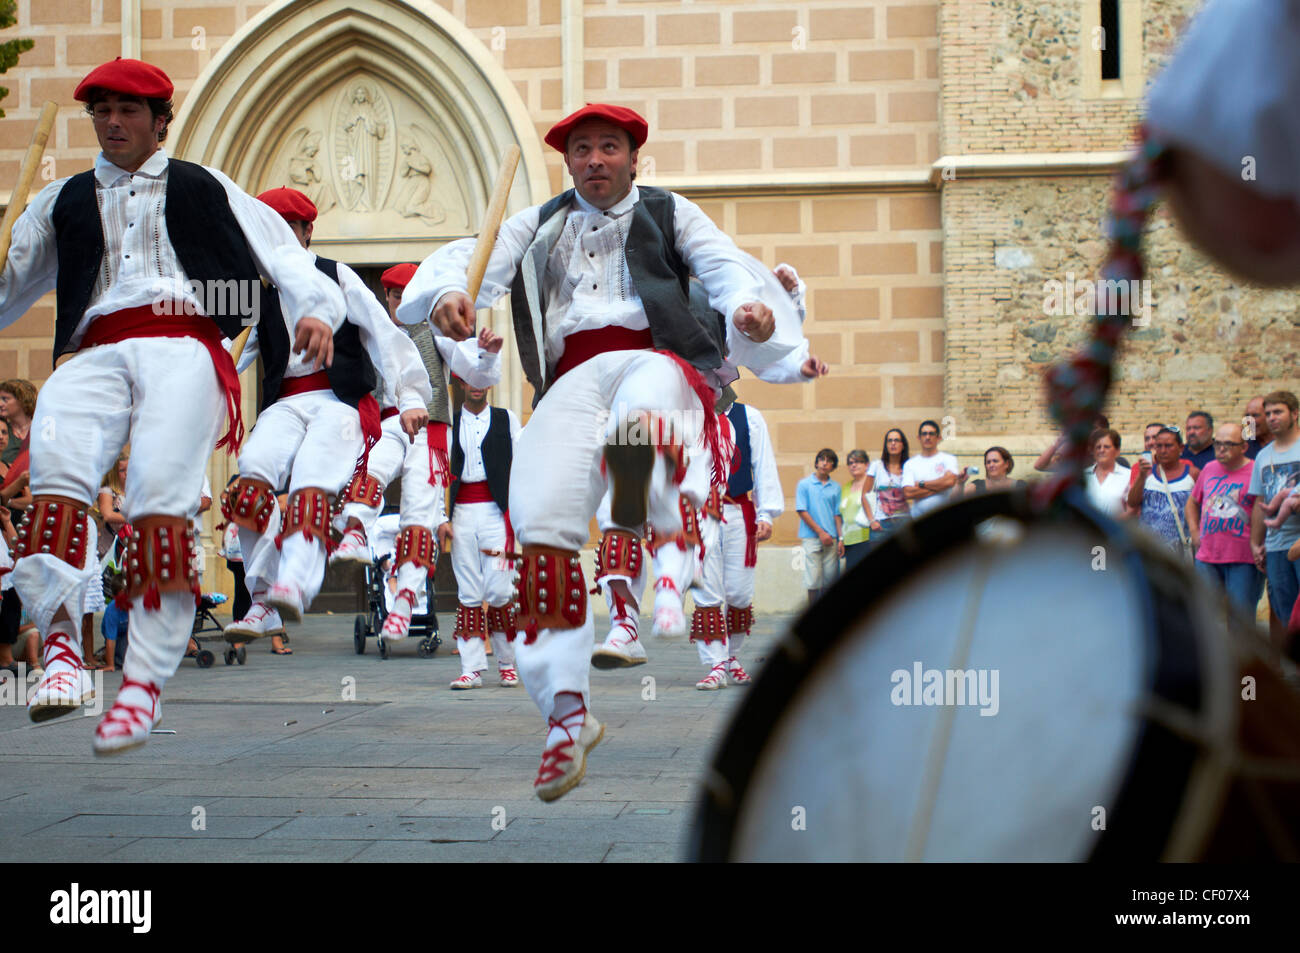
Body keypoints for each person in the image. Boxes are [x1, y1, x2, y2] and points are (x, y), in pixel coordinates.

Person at [398, 103, 802, 801]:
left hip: (653, 357)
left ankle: (646, 576)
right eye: (581, 149)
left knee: (641, 418)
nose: (593, 160)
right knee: (539, 532)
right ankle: (565, 714)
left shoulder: (670, 211)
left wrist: (747, 309)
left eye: (607, 147)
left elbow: (724, 266)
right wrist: (444, 302)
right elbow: (465, 267)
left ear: (633, 157)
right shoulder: (540, 221)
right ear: (568, 162)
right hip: (569, 380)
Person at [0, 58, 343, 753]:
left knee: (159, 496)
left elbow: (284, 255)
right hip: (92, 349)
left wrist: (315, 310)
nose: (114, 123)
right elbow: (12, 288)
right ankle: (62, 650)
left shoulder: (202, 184)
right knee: (57, 468)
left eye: (129, 111)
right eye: (102, 110)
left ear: (162, 121)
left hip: (183, 342)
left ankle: (144, 681)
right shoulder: (62, 199)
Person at [223, 187, 423, 643]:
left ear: (308, 232)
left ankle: (295, 581)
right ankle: (261, 600)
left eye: (288, 229)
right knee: (251, 473)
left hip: (338, 402)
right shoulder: (261, 294)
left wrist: (410, 396)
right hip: (285, 405)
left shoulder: (338, 275)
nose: (276, 240)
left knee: (314, 477)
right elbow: (232, 353)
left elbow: (383, 334)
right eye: (267, 230)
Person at [330, 263, 503, 647]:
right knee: (373, 470)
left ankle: (407, 598)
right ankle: (356, 530)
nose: (400, 304)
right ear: (386, 299)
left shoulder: (434, 336)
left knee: (419, 512)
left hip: (429, 431)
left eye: (408, 296)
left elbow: (473, 372)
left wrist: (487, 355)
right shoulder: (369, 334)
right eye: (394, 296)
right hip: (387, 425)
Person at [686, 397, 783, 689]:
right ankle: (716, 663)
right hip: (702, 512)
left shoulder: (749, 417)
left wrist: (766, 512)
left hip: (739, 510)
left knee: (740, 593)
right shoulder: (688, 417)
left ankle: (731, 655)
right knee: (707, 589)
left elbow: (763, 464)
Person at [445, 377, 521, 689]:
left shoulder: (507, 419)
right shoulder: (448, 423)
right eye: (469, 380)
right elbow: (435, 467)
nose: (476, 386)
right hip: (461, 512)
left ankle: (507, 661)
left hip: (496, 512)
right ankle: (472, 668)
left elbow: (523, 464)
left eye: (481, 380)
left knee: (500, 591)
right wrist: (440, 514)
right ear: (461, 384)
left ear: (489, 383)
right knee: (469, 592)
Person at [1187, 423, 1262, 616]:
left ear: (1243, 447)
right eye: (1217, 443)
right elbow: (1192, 503)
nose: (1221, 449)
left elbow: (1262, 511)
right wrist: (1195, 534)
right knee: (1205, 617)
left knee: (1240, 619)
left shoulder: (1256, 471)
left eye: (1228, 444)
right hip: (1207, 556)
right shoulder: (1209, 469)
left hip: (1243, 558)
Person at [1248, 392, 1300, 660]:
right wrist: (1256, 543)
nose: (1271, 418)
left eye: (1277, 412)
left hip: (1299, 544)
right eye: (1268, 414)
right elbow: (1259, 501)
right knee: (1286, 613)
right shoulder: (1262, 456)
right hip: (1276, 545)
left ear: (1295, 413)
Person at [1128, 427, 1199, 556]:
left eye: (1168, 446)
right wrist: (1141, 476)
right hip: (1149, 549)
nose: (1163, 451)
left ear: (1181, 448)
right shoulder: (1147, 473)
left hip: (1181, 549)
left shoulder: (1193, 474)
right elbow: (1132, 502)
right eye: (1159, 446)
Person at [796, 449, 843, 602]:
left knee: (830, 580)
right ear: (816, 463)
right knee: (813, 580)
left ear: (833, 466)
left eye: (829, 461)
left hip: (832, 539)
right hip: (812, 538)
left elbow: (837, 514)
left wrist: (840, 538)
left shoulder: (836, 487)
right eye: (822, 459)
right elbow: (802, 511)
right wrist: (821, 533)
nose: (825, 463)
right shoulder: (804, 485)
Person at [903, 420, 965, 517]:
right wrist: (941, 487)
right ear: (919, 438)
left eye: (931, 434)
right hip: (919, 520)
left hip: (944, 519)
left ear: (938, 437)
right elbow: (908, 493)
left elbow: (949, 482)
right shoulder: (910, 464)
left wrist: (921, 483)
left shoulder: (949, 459)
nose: (927, 437)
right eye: (924, 434)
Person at [863, 429, 909, 543]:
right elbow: (864, 494)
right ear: (886, 445)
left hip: (904, 523)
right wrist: (871, 521)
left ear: (903, 445)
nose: (893, 443)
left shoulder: (909, 467)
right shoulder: (876, 466)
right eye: (890, 441)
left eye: (897, 440)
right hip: (881, 524)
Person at [1083, 430, 1130, 518]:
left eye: (1106, 447)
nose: (1101, 450)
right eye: (1098, 447)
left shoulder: (1128, 476)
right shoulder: (1083, 476)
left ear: (1117, 451)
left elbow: (1132, 510)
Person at [841, 450, 871, 569]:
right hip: (849, 541)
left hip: (867, 538)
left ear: (867, 465)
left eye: (858, 462)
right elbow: (840, 515)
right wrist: (841, 539)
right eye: (850, 463)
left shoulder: (871, 484)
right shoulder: (845, 487)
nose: (853, 465)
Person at [0, 379, 34, 473]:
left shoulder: (42, 429)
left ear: (22, 399)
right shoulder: (2, 430)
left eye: (5, 399)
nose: (0, 404)